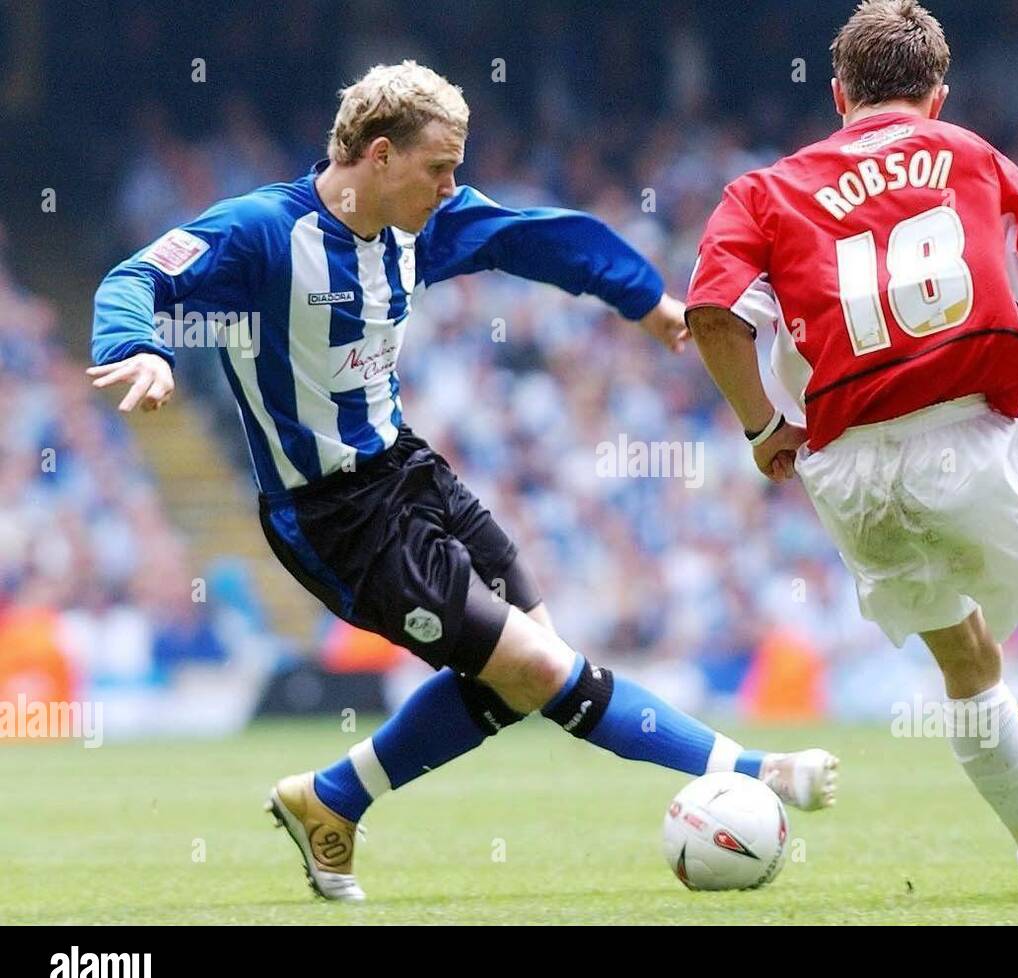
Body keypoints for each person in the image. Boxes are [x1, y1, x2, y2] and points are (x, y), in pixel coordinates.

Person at [88, 61, 838, 902]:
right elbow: (137, 277)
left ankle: (331, 799)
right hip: (331, 516)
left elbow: (536, 235)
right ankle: (752, 768)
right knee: (535, 668)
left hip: (411, 472)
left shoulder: (418, 225)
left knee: (523, 674)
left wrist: (647, 302)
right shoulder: (264, 233)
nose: (452, 188)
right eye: (439, 168)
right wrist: (135, 347)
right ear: (378, 156)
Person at [687, 0, 1018, 891]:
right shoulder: (978, 160)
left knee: (966, 658)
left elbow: (712, 313)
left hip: (845, 475)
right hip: (963, 443)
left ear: (838, 95)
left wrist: (764, 426)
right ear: (939, 92)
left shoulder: (767, 190)